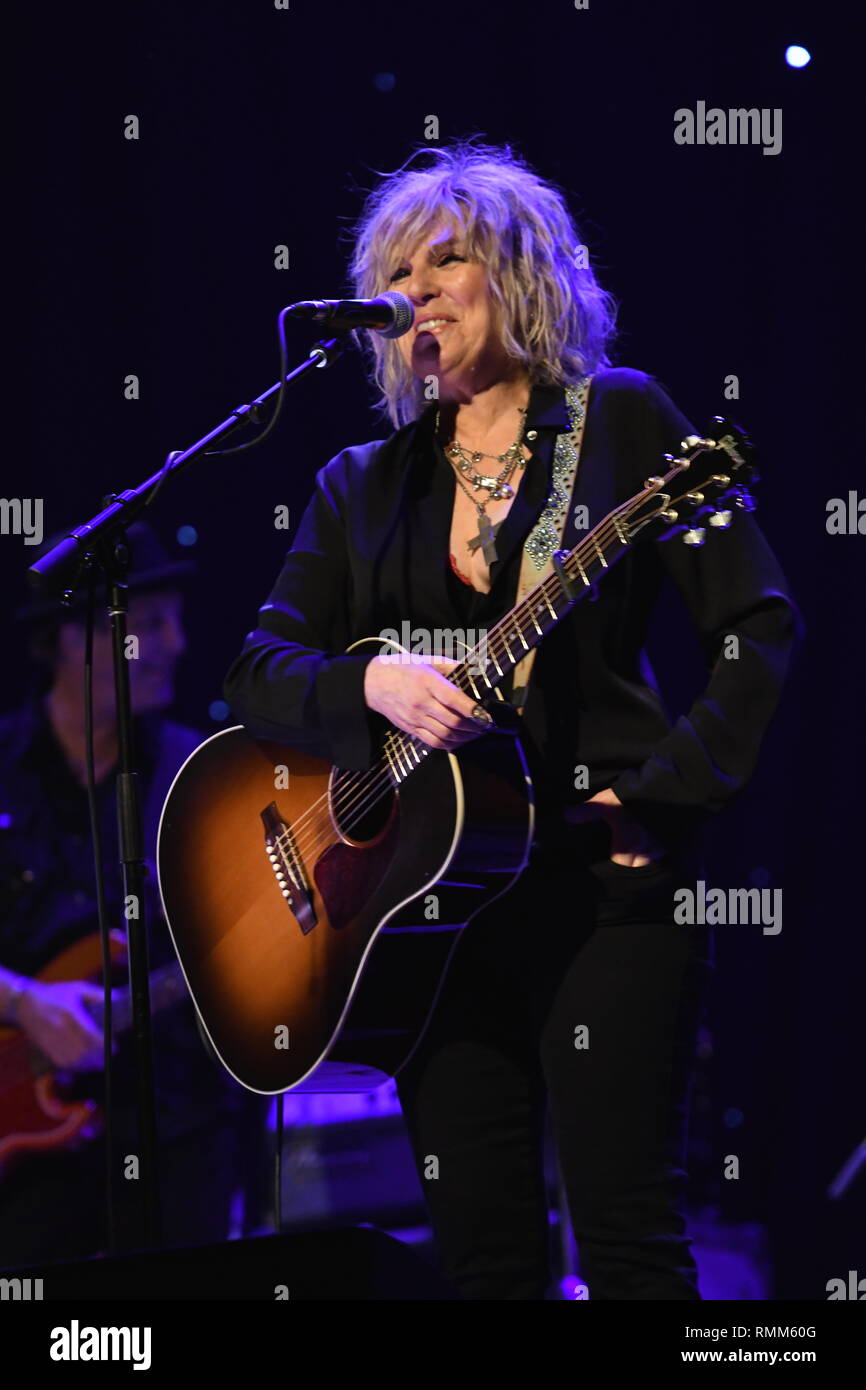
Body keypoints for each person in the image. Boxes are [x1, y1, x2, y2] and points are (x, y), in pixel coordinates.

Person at [222, 141, 801, 1299]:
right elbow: (257, 670)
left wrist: (661, 791)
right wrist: (370, 686)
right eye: (398, 272)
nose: (418, 291)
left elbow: (757, 627)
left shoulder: (624, 425)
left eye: (447, 260)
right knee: (485, 1256)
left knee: (626, 1233)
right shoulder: (361, 483)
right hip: (430, 917)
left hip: (601, 886)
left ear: (521, 273)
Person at [0, 522, 271, 1268]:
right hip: (25, 1143)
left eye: (174, 620)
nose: (177, 644)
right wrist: (24, 1001)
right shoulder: (5, 766)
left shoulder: (201, 779)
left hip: (178, 1124)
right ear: (70, 638)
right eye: (148, 624)